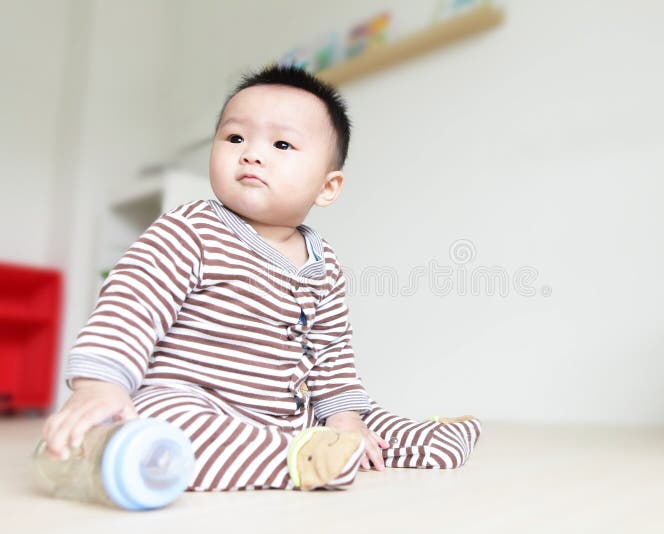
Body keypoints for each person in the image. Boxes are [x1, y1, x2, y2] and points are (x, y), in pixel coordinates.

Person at [41, 65, 481, 491]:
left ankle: (420, 440)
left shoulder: (323, 262)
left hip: (291, 412)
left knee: (358, 418)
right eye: (235, 137)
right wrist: (100, 386)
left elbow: (332, 352)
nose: (251, 153)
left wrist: (345, 419)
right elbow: (131, 303)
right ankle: (295, 458)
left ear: (327, 187)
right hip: (195, 401)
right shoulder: (191, 229)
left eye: (282, 144)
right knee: (159, 423)